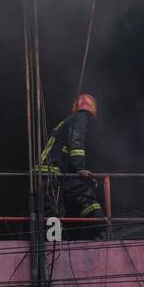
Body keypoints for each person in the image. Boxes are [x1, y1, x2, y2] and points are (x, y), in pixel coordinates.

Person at [37, 93, 105, 239]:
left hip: (54, 172)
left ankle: (97, 232)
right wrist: (80, 168)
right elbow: (76, 141)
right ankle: (53, 246)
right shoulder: (80, 118)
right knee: (53, 211)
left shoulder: (69, 120)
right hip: (50, 172)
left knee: (83, 192)